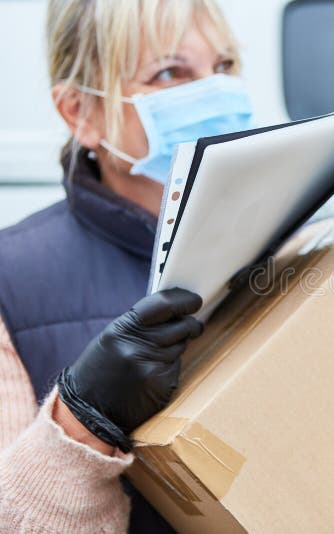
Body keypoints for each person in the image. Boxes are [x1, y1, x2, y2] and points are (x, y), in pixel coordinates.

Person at [0, 0, 255, 531]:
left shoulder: (292, 235)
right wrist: (83, 420)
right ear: (79, 113)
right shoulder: (10, 280)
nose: (215, 91)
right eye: (169, 72)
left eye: (224, 66)